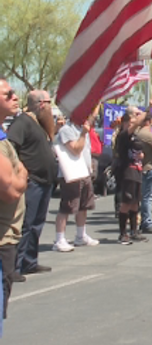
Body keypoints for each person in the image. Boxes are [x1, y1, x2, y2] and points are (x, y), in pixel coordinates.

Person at [7, 90, 57, 276]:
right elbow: (12, 147)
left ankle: (30, 261)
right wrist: (21, 171)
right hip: (32, 182)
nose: (50, 107)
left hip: (45, 182)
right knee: (26, 224)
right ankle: (16, 267)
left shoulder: (40, 124)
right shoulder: (22, 122)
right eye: (48, 102)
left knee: (37, 224)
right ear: (40, 104)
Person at [52, 116, 100, 252]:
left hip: (84, 173)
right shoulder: (67, 130)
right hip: (71, 173)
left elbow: (86, 151)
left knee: (83, 206)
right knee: (67, 206)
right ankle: (59, 239)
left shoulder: (82, 129)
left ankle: (81, 235)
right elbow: (75, 149)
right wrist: (84, 134)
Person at [0, 78, 28, 311]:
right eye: (8, 94)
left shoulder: (3, 135)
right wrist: (22, 176)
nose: (15, 97)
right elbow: (9, 190)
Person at [113, 108, 149, 244]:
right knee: (126, 202)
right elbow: (136, 123)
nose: (132, 125)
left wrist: (141, 155)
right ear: (125, 123)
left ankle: (134, 231)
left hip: (137, 170)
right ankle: (123, 233)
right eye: (130, 123)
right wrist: (145, 111)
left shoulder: (135, 136)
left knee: (135, 202)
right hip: (127, 171)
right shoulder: (123, 135)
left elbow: (139, 151)